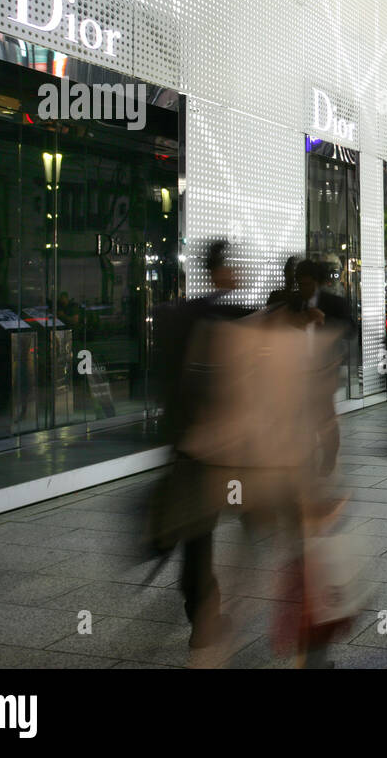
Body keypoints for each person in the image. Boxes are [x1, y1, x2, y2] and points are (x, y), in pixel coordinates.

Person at [151, 240, 252, 649]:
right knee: (201, 531)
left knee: (198, 531)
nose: (239, 273)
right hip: (209, 445)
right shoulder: (221, 316)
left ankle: (200, 607)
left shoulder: (180, 315)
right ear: (218, 270)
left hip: (188, 441)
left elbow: (164, 380)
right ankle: (202, 618)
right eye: (233, 266)